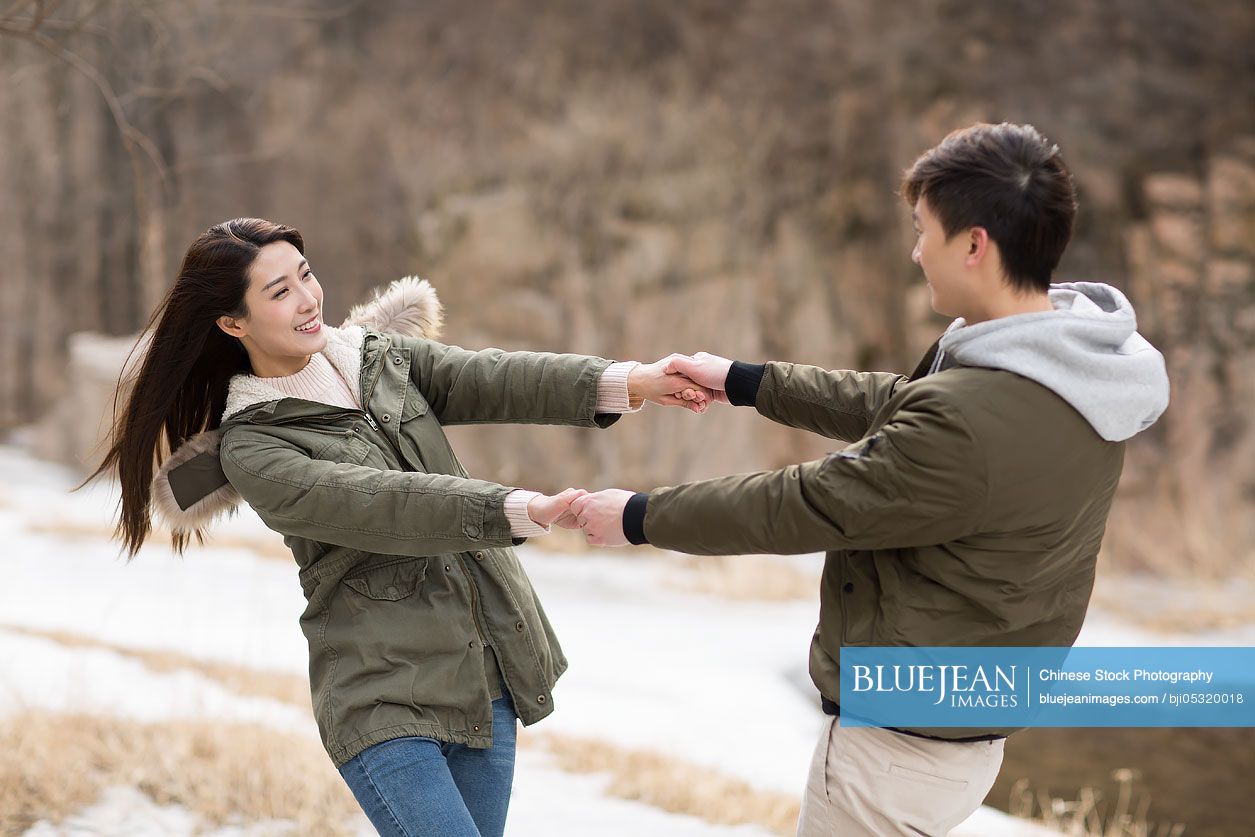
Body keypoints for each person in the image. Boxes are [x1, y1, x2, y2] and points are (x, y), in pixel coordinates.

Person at [571, 122, 1171, 836]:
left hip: (893, 752)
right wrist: (745, 381)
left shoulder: (973, 416)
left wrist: (639, 516)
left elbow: (804, 504)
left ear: (974, 244)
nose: (916, 251)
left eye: (924, 230)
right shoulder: (1069, 363)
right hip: (963, 728)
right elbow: (906, 406)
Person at [83, 217, 713, 837]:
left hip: (481, 677)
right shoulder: (256, 448)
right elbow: (384, 503)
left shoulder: (380, 362)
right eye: (279, 292)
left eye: (306, 276)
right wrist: (516, 509)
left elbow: (494, 378)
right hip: (383, 699)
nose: (308, 301)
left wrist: (632, 381)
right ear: (232, 323)